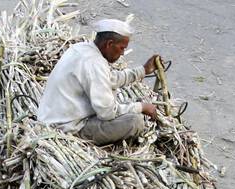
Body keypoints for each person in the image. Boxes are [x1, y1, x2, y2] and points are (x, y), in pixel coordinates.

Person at [36, 17, 167, 146]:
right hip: (66, 128)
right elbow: (107, 113)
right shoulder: (94, 63)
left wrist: (143, 70)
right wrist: (141, 107)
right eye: (122, 48)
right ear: (109, 44)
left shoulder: (81, 48)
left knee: (124, 107)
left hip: (50, 118)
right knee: (135, 121)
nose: (122, 53)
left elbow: (109, 79)